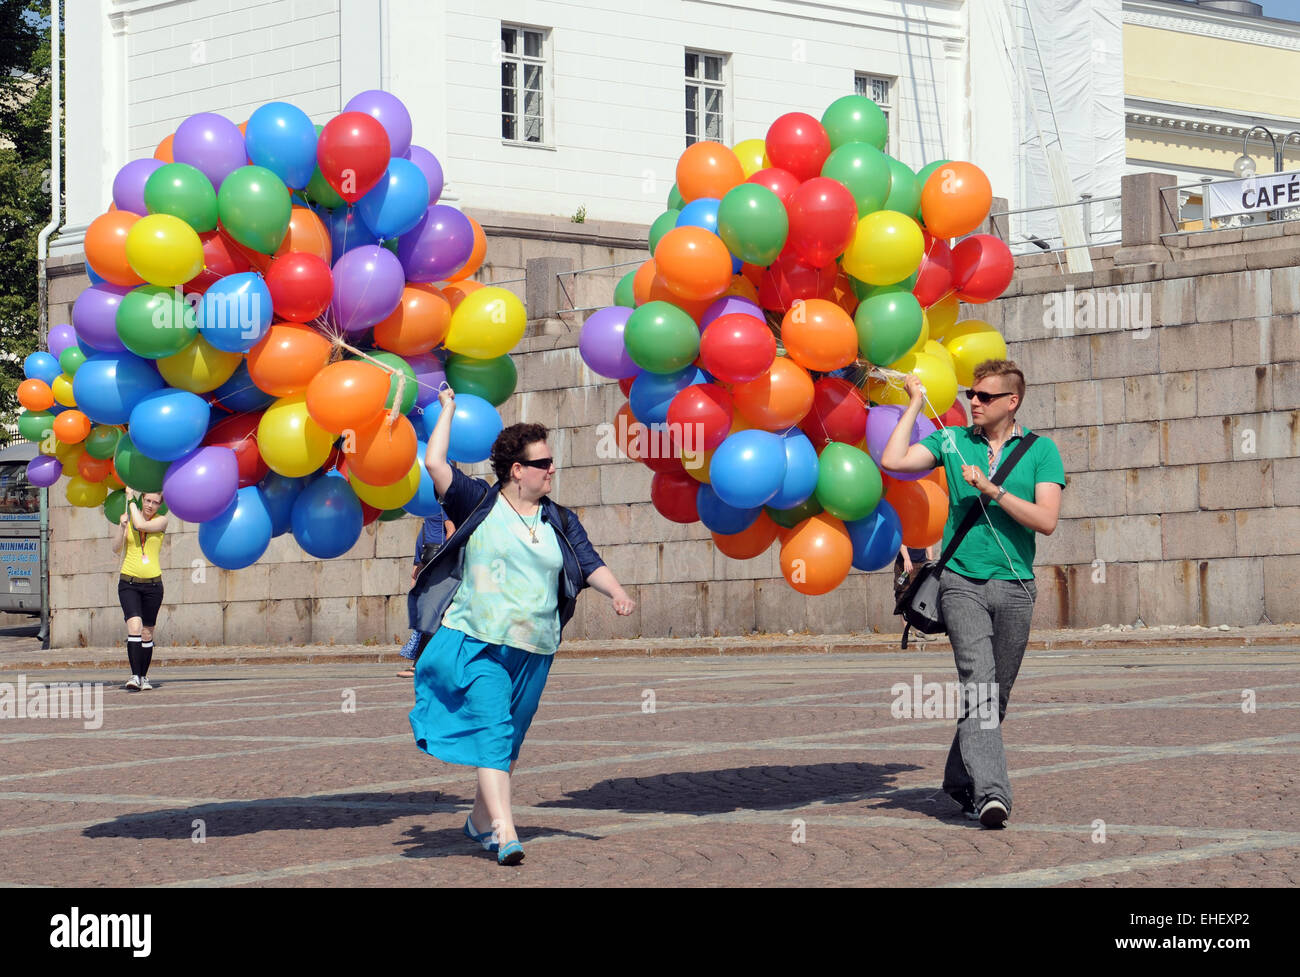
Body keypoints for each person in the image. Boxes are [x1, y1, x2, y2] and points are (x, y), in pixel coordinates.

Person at [409, 387, 635, 866]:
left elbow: (588, 562)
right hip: (480, 641)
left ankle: (478, 820)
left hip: (535, 647)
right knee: (493, 730)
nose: (552, 469)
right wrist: (447, 410)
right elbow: (434, 463)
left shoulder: (559, 519)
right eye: (543, 463)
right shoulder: (478, 502)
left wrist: (616, 592)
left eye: (552, 462)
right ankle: (505, 831)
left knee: (507, 742)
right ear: (517, 470)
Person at [880, 360, 1064, 829]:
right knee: (978, 683)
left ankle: (959, 779)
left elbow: (1046, 520)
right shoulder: (952, 440)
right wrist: (915, 404)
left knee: (995, 695)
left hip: (1017, 587)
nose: (974, 402)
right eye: (971, 395)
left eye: (985, 396)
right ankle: (991, 795)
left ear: (1012, 401)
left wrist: (992, 489)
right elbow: (893, 461)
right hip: (960, 583)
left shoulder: (1041, 451)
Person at [110, 488, 168, 691]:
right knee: (134, 627)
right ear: (143, 499)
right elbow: (116, 548)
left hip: (153, 585)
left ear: (160, 505)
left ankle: (144, 676)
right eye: (148, 500)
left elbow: (142, 525)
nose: (151, 505)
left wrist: (130, 499)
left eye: (155, 502)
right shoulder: (130, 519)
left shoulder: (161, 521)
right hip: (129, 583)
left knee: (147, 633)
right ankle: (135, 676)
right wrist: (121, 527)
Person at [396, 507, 455, 679]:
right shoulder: (429, 509)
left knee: (432, 617)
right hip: (428, 562)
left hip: (438, 565)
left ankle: (420, 665)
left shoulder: (443, 506)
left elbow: (451, 531)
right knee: (430, 617)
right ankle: (424, 664)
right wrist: (416, 570)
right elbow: (424, 537)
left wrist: (444, 560)